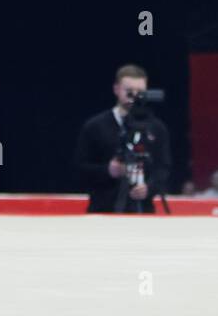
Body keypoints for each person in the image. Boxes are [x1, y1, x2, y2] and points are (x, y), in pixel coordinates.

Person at [73, 64, 172, 213]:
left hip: (143, 210)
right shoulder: (95, 126)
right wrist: (107, 170)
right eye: (129, 92)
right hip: (103, 210)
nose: (134, 97)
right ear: (116, 89)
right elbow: (80, 168)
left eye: (140, 92)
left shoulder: (156, 128)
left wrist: (149, 188)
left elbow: (163, 167)